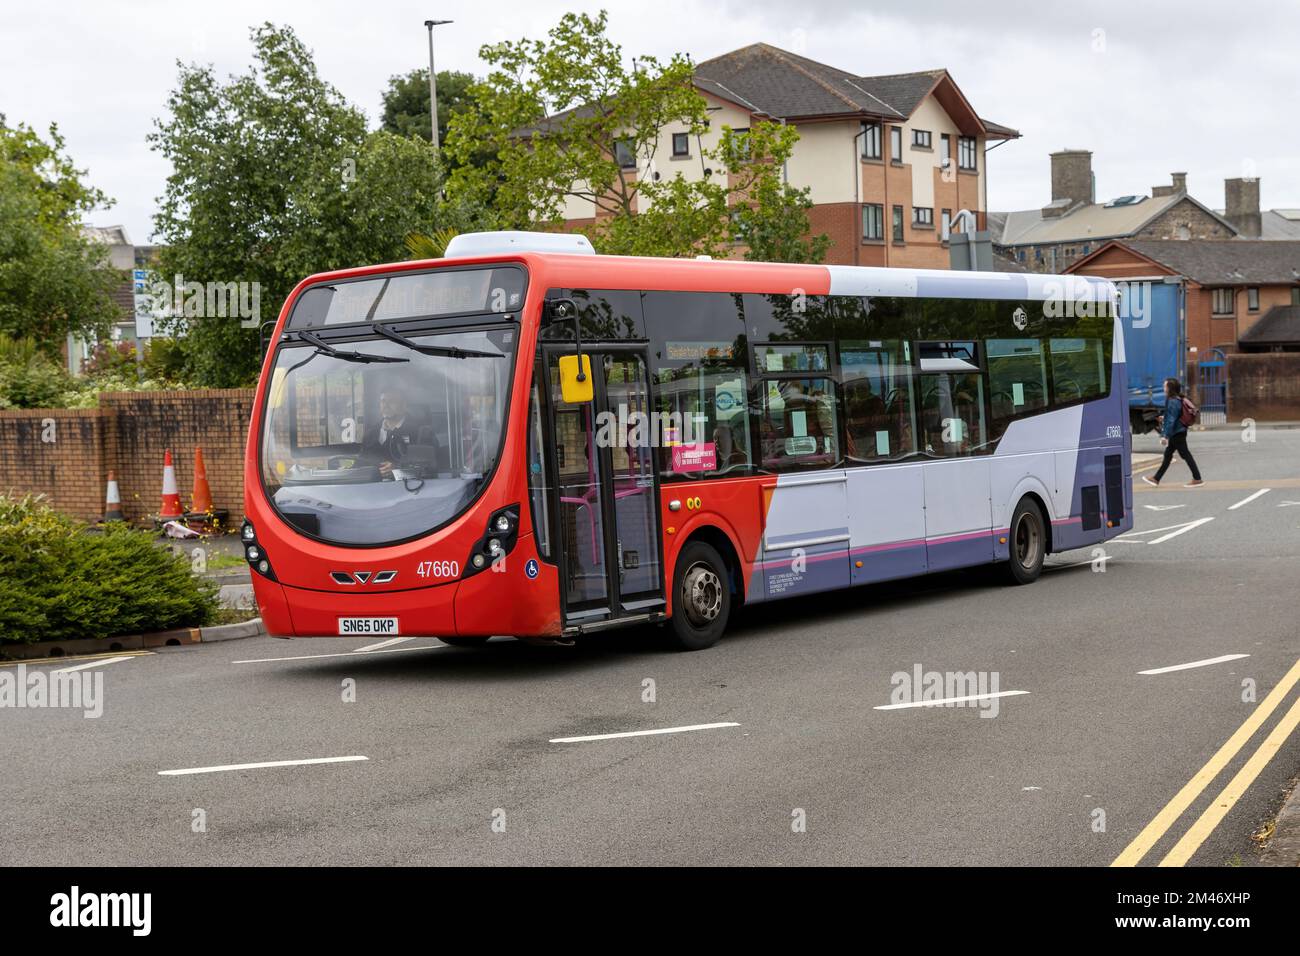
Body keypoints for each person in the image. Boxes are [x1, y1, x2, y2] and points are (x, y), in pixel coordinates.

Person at [1143, 377, 1204, 488]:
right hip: (1178, 431)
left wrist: (1165, 435)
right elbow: (1173, 416)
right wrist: (1164, 417)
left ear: (1169, 388)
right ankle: (1156, 478)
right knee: (1168, 455)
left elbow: (1172, 420)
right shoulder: (1176, 399)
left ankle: (1197, 478)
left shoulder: (1172, 401)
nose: (1163, 387)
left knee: (1185, 454)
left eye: (1165, 386)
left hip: (1177, 432)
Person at [363, 387, 432, 477]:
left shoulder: (421, 432)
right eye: (383, 401)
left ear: (404, 406)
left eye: (392, 401)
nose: (386, 405)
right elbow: (362, 461)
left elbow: (430, 466)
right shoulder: (370, 433)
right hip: (373, 488)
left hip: (410, 487)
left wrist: (398, 468)